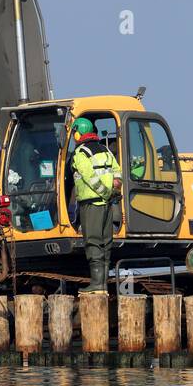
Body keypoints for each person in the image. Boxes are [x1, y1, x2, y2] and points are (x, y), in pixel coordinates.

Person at [70, 118, 122, 292]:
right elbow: (117, 172)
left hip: (91, 204)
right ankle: (103, 283)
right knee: (106, 243)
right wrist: (113, 187)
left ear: (78, 133)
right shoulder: (105, 150)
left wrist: (103, 191)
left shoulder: (81, 153)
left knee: (93, 242)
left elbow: (89, 177)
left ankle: (97, 283)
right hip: (107, 204)